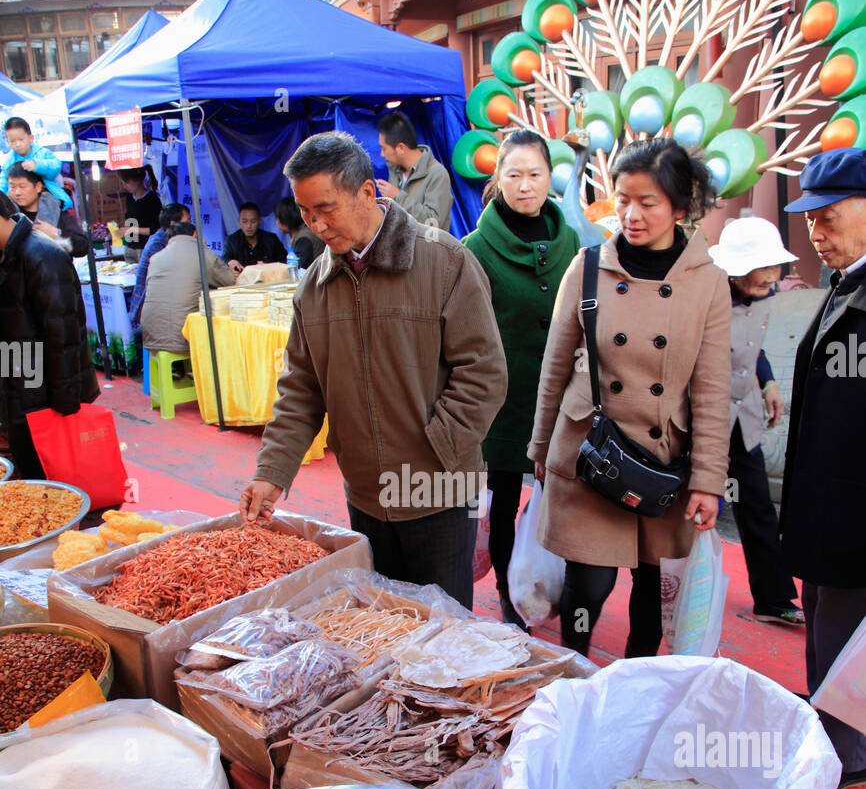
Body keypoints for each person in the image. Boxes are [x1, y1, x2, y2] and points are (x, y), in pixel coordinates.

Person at [240, 132, 507, 608]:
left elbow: (483, 373)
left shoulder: (443, 262)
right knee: (382, 625)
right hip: (366, 493)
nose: (315, 224)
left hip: (440, 488)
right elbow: (300, 389)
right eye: (305, 212)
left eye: (326, 208)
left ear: (367, 193)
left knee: (443, 632)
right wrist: (272, 471)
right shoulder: (314, 289)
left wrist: (436, 446)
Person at [530, 137, 731, 658]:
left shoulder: (708, 283)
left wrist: (709, 480)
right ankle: (573, 671)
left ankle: (636, 680)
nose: (630, 215)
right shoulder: (588, 266)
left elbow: (711, 388)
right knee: (588, 588)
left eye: (648, 203)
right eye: (622, 199)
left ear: (680, 208)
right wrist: (539, 449)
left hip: (660, 463)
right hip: (590, 451)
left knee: (650, 592)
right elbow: (554, 366)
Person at [463, 129, 581, 628]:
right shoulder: (474, 248)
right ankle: (510, 597)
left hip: (562, 399)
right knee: (507, 500)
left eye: (535, 174)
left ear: (550, 178)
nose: (525, 185)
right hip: (506, 403)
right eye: (514, 174)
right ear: (498, 178)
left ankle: (563, 588)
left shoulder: (570, 239)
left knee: (567, 497)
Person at [780, 147, 866, 788]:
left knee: (846, 642)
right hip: (829, 508)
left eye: (829, 215)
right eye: (809, 217)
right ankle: (836, 744)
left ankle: (847, 757)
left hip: (853, 514)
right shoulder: (847, 284)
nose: (815, 231)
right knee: (828, 632)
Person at [708, 217, 804, 627]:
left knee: (757, 505)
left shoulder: (765, 292)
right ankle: (675, 591)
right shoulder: (707, 295)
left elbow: (754, 344)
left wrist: (768, 384)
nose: (773, 277)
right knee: (687, 508)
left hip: (743, 415)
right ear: (737, 269)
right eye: (763, 269)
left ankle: (772, 597)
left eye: (774, 268)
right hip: (703, 415)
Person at [0, 190, 98, 478]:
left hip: (45, 392)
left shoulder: (43, 254)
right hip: (19, 378)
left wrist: (66, 406)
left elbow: (63, 336)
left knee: (54, 477)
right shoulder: (8, 255)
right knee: (29, 472)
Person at [140, 221, 235, 356]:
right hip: (184, 337)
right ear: (195, 234)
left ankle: (178, 370)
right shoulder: (202, 254)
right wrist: (204, 247)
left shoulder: (155, 258)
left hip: (150, 336)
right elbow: (229, 280)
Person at [376, 111, 453, 230]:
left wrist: (397, 196)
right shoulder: (395, 171)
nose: (382, 154)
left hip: (427, 247)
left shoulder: (437, 174)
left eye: (384, 148)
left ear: (400, 148)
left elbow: (433, 222)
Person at [1, 116, 72, 227]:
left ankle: (43, 232)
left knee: (49, 203)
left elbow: (56, 166)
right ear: (7, 142)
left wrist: (37, 165)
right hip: (21, 201)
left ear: (31, 138)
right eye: (12, 141)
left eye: (21, 139)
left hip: (47, 193)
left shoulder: (42, 153)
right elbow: (3, 181)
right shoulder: (9, 160)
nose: (17, 144)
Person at [130, 202, 191, 326]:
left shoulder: (168, 239)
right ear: (173, 224)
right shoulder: (158, 243)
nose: (190, 225)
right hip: (151, 306)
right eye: (187, 221)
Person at [7, 168, 89, 258]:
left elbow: (83, 247)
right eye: (12, 187)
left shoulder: (56, 212)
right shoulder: (8, 216)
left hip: (56, 271)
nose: (17, 193)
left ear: (38, 186)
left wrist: (56, 234)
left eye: (22, 186)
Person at [222, 202, 287, 275]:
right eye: (244, 221)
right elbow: (224, 258)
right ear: (239, 221)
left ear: (259, 221)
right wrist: (230, 262)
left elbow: (285, 261)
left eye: (253, 221)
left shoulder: (271, 239)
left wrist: (269, 267)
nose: (249, 226)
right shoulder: (232, 240)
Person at [118, 167, 162, 262]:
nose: (124, 186)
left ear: (137, 180)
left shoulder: (152, 199)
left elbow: (154, 229)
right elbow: (130, 219)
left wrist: (130, 229)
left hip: (145, 248)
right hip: (130, 247)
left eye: (126, 182)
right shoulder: (129, 198)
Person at [275, 196, 324, 269]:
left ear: (284, 222)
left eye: (278, 218)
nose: (277, 222)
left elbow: (298, 266)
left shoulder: (304, 238)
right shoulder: (303, 232)